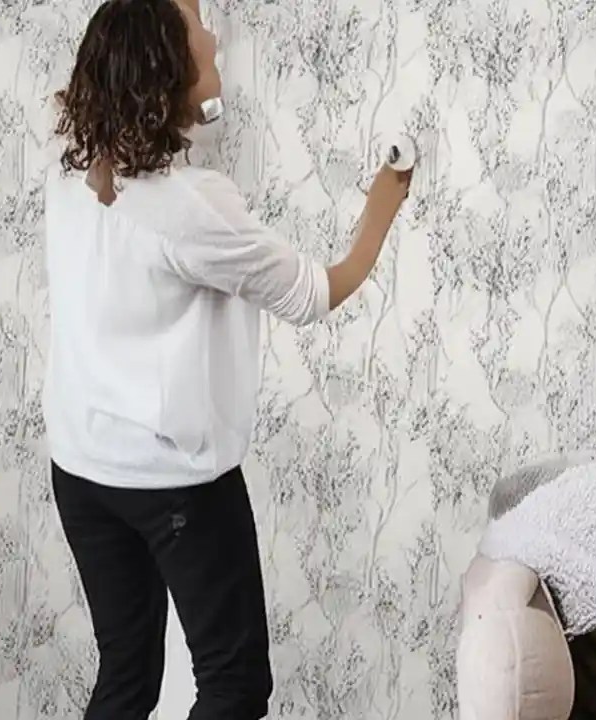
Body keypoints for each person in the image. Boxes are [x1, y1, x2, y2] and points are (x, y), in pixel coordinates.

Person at [43, 0, 413, 718]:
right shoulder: (193, 207)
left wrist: (195, 78)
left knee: (126, 676)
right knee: (234, 682)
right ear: (167, 75)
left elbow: (166, 45)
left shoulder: (78, 167)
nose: (212, 34)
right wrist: (384, 204)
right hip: (172, 481)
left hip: (82, 469)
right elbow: (316, 292)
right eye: (198, 37)